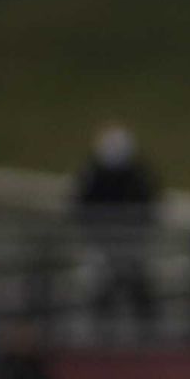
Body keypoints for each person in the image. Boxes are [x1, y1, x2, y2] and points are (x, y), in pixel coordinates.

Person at [72, 123, 161, 340]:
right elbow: (79, 206)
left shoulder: (137, 176)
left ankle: (148, 336)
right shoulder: (92, 176)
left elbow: (150, 203)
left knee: (136, 285)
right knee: (101, 290)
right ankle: (101, 336)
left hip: (131, 243)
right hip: (101, 245)